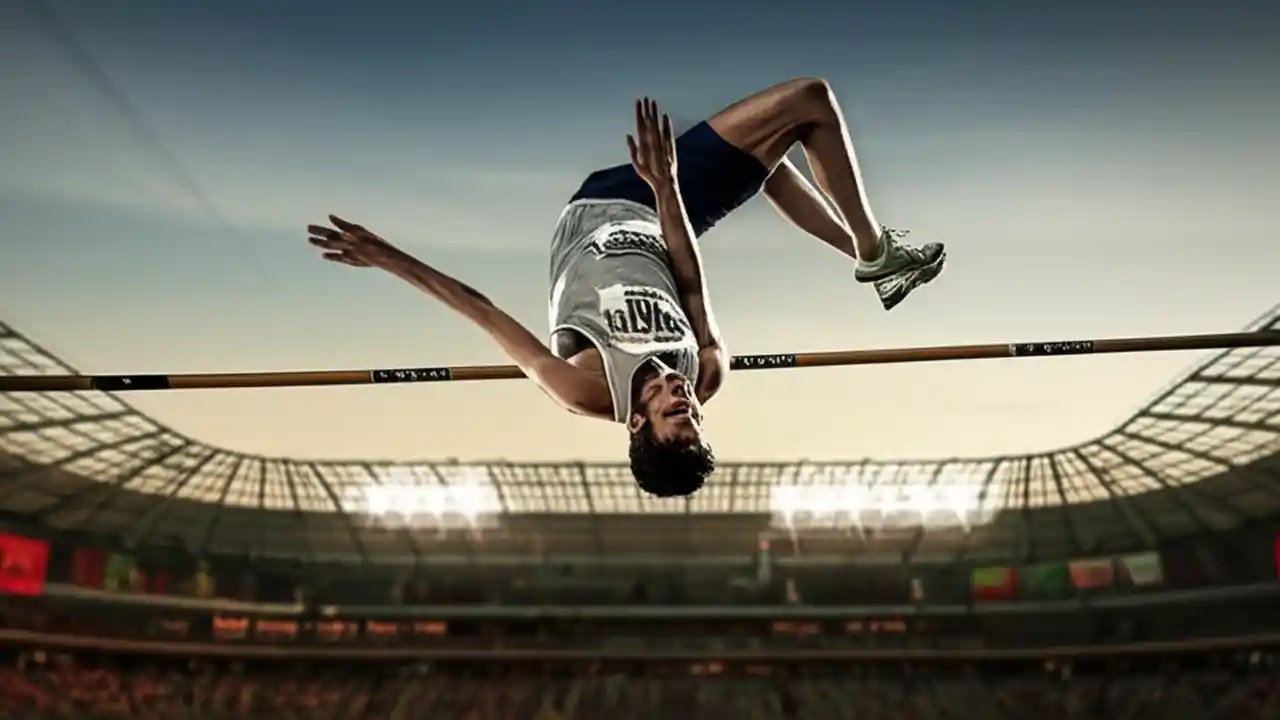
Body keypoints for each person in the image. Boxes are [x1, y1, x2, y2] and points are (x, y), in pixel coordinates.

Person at [307, 78, 945, 497]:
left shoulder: (584, 385)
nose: (684, 397)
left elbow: (482, 309)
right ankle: (873, 255)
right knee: (803, 108)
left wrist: (387, 256)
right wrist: (666, 185)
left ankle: (873, 253)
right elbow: (690, 285)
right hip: (660, 207)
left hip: (595, 208)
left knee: (786, 131)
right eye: (694, 413)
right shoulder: (707, 373)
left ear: (637, 421)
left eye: (674, 412)